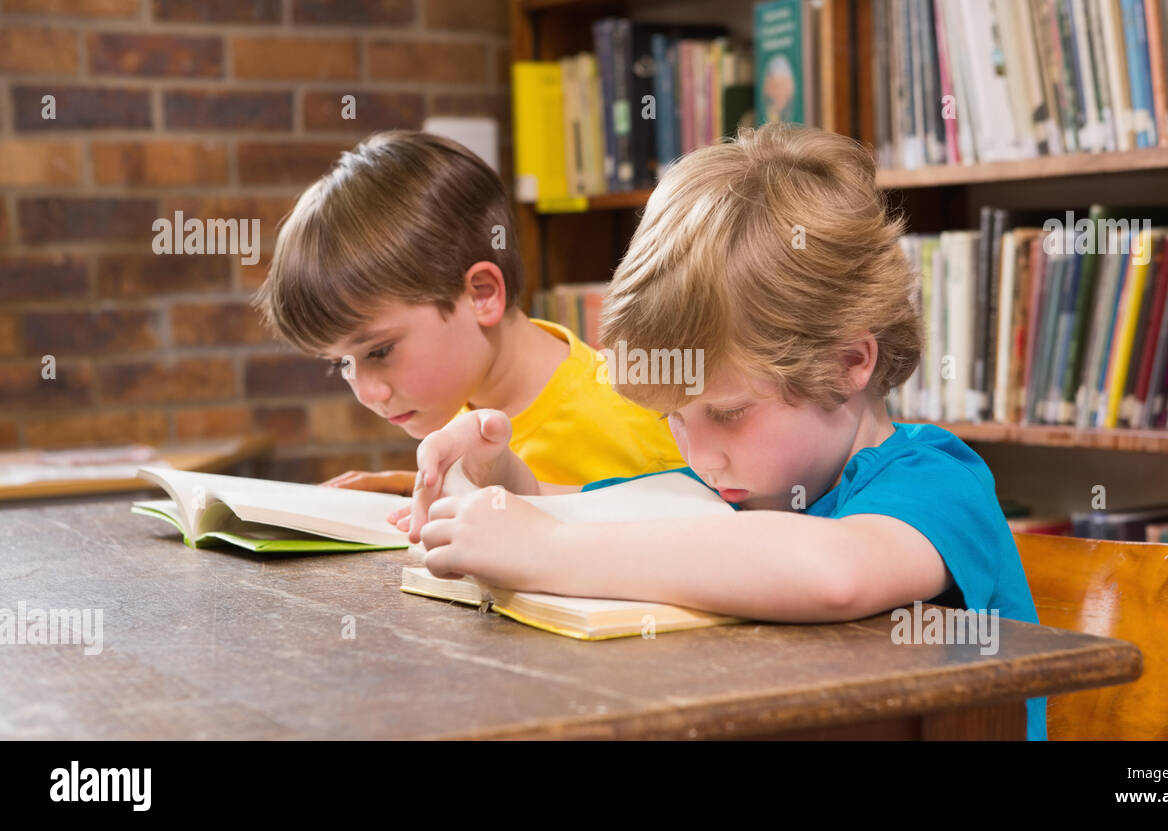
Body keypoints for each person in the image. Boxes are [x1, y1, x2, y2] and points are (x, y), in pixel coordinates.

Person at [407, 124, 1047, 741]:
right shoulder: (736, 486)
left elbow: (834, 572)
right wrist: (499, 475)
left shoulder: (936, 479)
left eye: (728, 413)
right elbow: (576, 511)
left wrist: (548, 553)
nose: (698, 454)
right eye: (673, 420)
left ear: (850, 361)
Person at [252, 130, 683, 529]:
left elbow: (689, 533)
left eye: (379, 352)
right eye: (341, 363)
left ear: (481, 295)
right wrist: (413, 487)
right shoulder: (457, 403)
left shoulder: (637, 415)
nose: (366, 392)